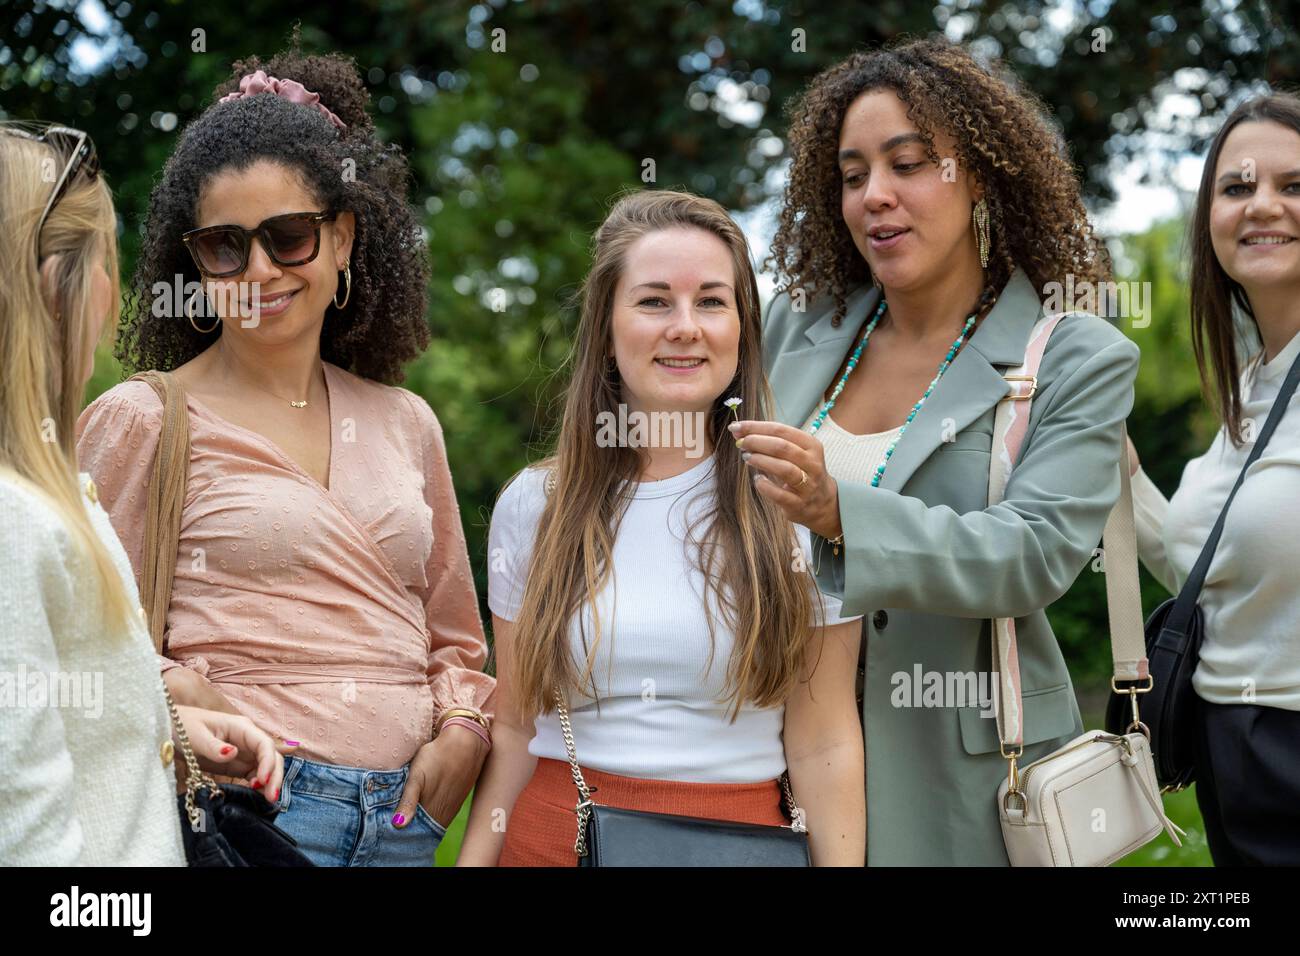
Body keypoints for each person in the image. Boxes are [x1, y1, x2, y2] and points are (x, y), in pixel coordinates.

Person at [76, 47, 493, 867]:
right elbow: (79, 642)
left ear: (341, 238)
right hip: (240, 818)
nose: (258, 270)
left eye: (289, 237)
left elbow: (456, 640)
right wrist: (167, 688)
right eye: (225, 246)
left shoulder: (409, 422)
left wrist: (463, 735)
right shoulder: (142, 420)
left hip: (406, 827)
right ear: (195, 264)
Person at [735, 37, 1141, 865]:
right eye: (852, 176)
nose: (875, 196)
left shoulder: (1073, 355)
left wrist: (837, 510)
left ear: (979, 177)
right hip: (770, 762)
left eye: (909, 164)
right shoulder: (792, 328)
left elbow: (1032, 552)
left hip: (966, 791)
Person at [457, 190, 865, 867]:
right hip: (554, 841)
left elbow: (825, 742)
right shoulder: (536, 505)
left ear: (742, 328)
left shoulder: (804, 505)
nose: (685, 326)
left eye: (711, 300)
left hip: (738, 848)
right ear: (608, 331)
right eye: (653, 301)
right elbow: (513, 725)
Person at [1, 121, 285, 865]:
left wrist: (162, 726)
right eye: (104, 262)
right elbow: (22, 823)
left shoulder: (46, 493)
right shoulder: (13, 518)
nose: (113, 291)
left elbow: (52, 707)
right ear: (54, 286)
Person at [1127, 93, 1300, 866]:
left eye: (1294, 185)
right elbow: (1210, 574)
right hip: (1235, 766)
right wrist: (1117, 471)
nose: (1263, 205)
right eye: (1236, 187)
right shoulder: (1253, 389)